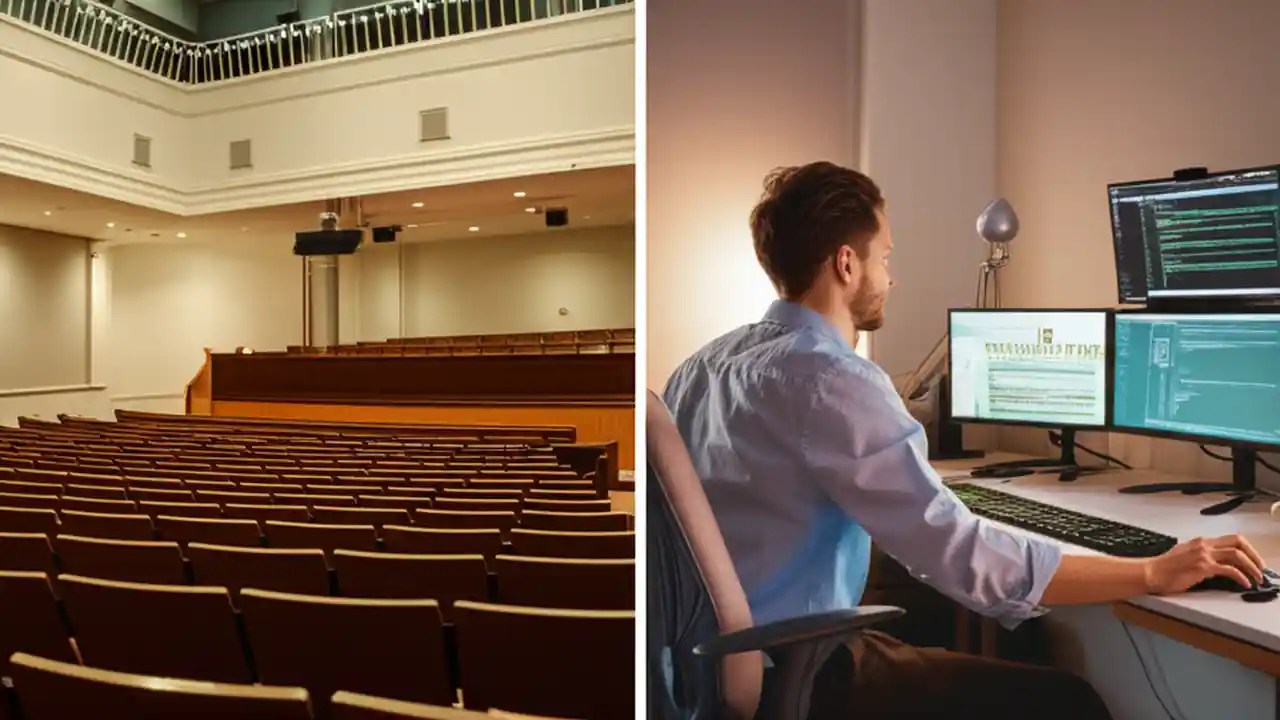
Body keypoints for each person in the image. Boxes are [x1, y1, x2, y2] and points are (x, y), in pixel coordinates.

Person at [661, 161, 1268, 719]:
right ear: (847, 264)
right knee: (1068, 700)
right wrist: (1150, 571)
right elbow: (959, 555)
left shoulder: (700, 367)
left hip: (702, 667)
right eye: (885, 257)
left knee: (1016, 637)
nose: (890, 278)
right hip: (803, 669)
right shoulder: (833, 381)